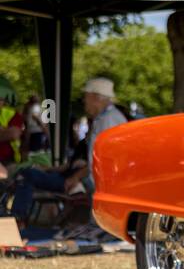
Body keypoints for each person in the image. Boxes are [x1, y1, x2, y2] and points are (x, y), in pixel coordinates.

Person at [9, 77, 127, 226]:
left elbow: (105, 159)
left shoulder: (109, 120)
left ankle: (16, 219)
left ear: (96, 97)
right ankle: (17, 219)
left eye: (86, 97)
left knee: (26, 175)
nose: (84, 101)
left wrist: (76, 176)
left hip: (89, 179)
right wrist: (50, 169)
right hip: (82, 177)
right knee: (27, 174)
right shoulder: (105, 119)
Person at [0, 77, 26, 174]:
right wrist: (4, 130)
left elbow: (14, 134)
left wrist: (5, 131)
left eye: (1, 98)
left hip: (8, 161)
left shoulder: (12, 113)